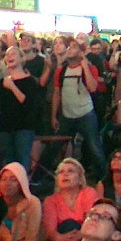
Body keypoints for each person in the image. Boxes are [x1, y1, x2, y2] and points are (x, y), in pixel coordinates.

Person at [49, 40, 106, 181]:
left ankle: (105, 178)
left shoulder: (90, 68)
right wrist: (54, 115)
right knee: (54, 146)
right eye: (68, 46)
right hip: (67, 115)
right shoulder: (61, 71)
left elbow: (93, 88)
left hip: (85, 113)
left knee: (94, 147)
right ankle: (38, 177)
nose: (69, 49)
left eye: (73, 47)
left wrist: (85, 66)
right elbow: (57, 93)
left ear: (81, 51)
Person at [40, 158, 99, 241]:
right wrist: (62, 239)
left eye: (70, 171)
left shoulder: (88, 193)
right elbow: (51, 231)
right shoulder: (50, 201)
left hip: (86, 237)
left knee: (71, 225)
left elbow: (92, 220)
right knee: (67, 225)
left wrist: (81, 234)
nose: (65, 175)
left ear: (80, 179)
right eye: (61, 172)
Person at [0, 47, 42, 171]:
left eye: (13, 54)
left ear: (22, 58)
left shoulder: (30, 81)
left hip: (24, 126)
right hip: (5, 126)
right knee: (8, 162)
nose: (10, 56)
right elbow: (1, 105)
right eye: (7, 54)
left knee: (22, 161)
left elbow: (27, 104)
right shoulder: (2, 82)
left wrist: (12, 87)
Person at [0, 163, 43, 241]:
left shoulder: (33, 202)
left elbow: (32, 239)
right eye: (4, 179)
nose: (7, 184)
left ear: (21, 183)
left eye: (13, 179)